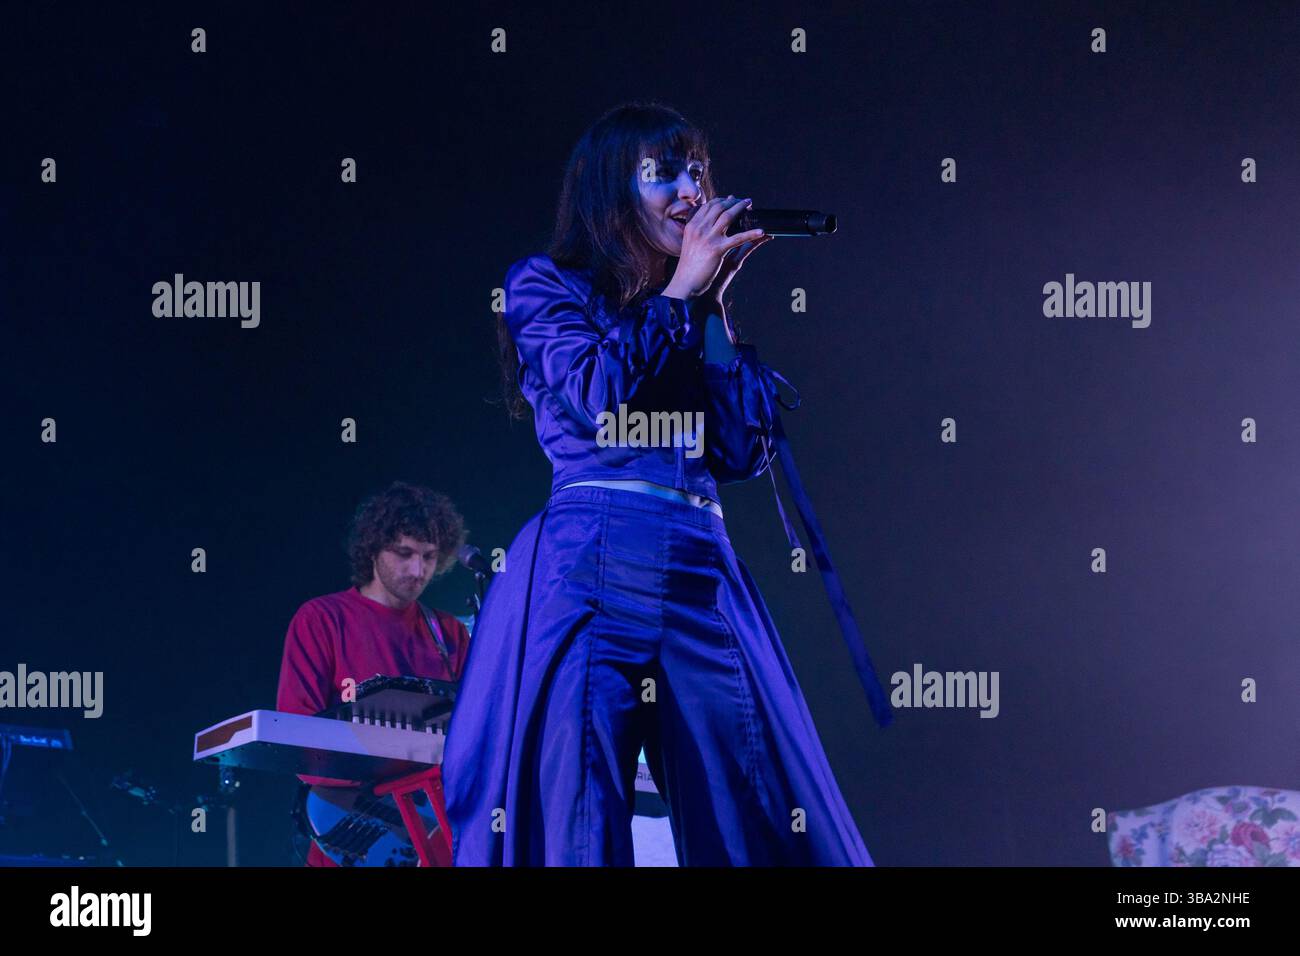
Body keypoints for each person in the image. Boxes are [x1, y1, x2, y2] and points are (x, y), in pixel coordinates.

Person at [442, 101, 874, 866]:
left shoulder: (689, 309)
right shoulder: (545, 285)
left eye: (699, 171)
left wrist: (712, 307)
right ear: (611, 192)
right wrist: (683, 293)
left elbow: (742, 449)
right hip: (589, 560)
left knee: (755, 802)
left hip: (700, 567)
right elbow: (599, 395)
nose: (691, 191)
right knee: (571, 802)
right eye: (664, 173)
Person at [276, 480, 471, 867]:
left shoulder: (448, 633)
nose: (418, 570)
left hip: (437, 838)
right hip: (358, 830)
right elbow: (297, 737)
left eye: (429, 557)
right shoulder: (321, 619)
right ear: (373, 548)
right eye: (404, 553)